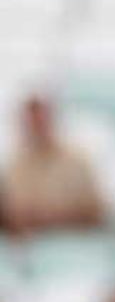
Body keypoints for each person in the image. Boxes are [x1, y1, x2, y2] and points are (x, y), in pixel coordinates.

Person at [0, 95, 107, 234]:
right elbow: (10, 216)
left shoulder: (77, 161)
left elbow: (97, 211)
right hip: (31, 249)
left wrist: (51, 216)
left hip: (74, 244)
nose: (36, 127)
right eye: (32, 122)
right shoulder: (14, 168)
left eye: (40, 120)